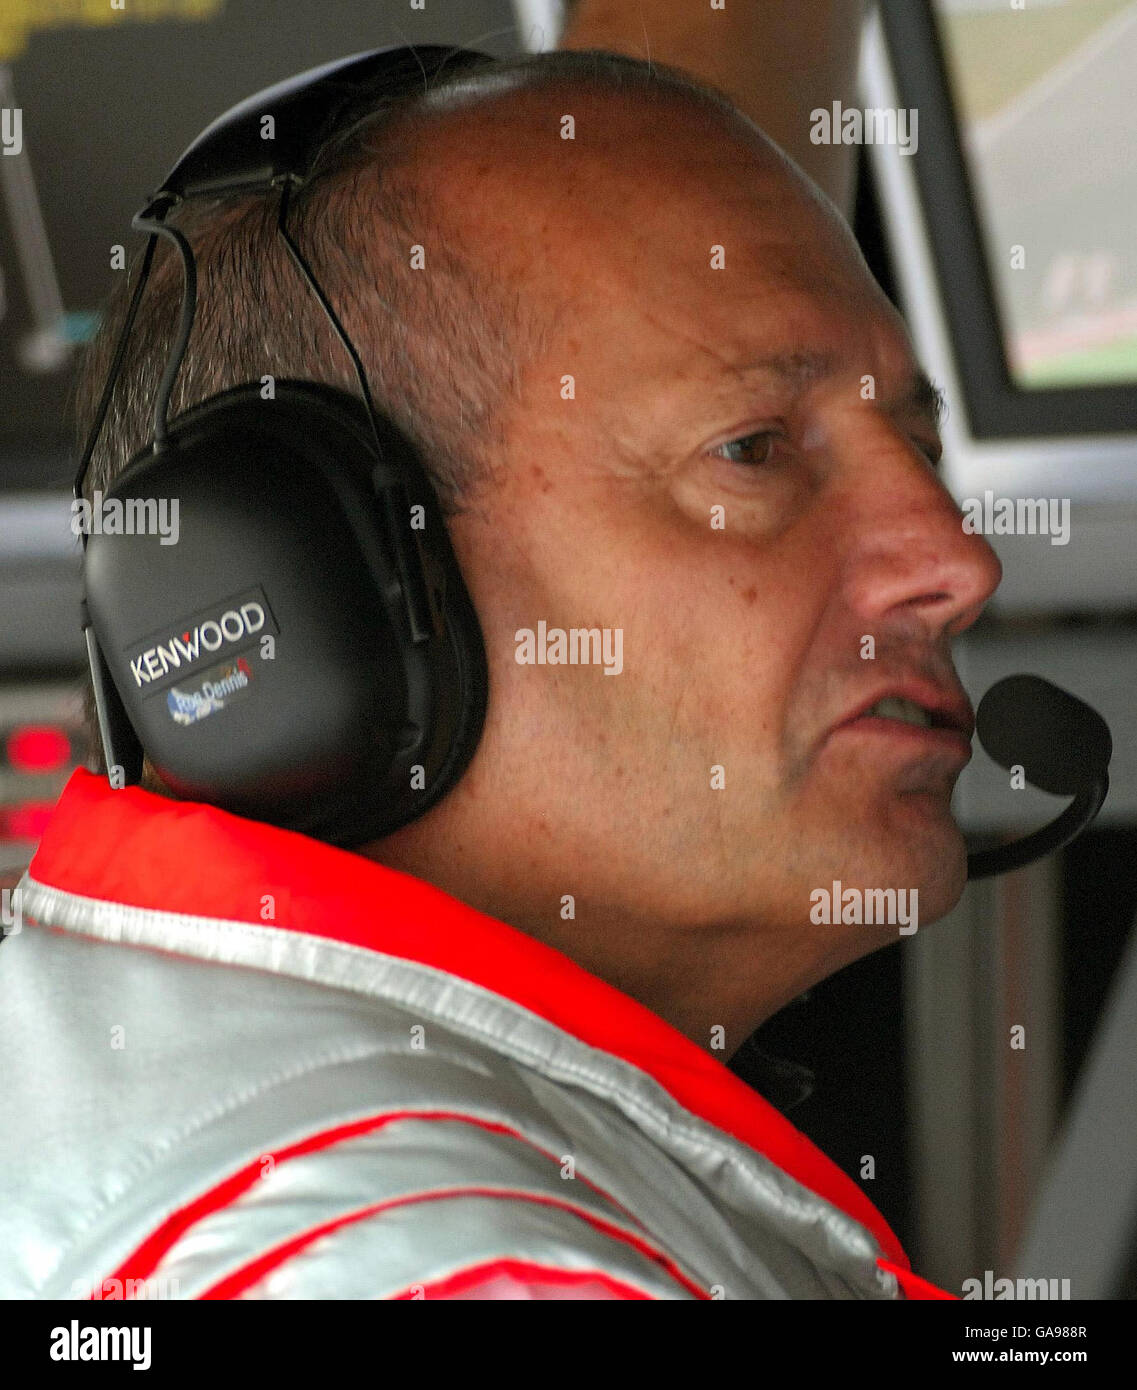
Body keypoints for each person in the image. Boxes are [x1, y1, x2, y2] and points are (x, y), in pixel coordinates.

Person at [0, 6, 1000, 1299]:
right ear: (320, 598)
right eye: (751, 450)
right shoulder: (458, 1263)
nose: (955, 562)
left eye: (916, 448)